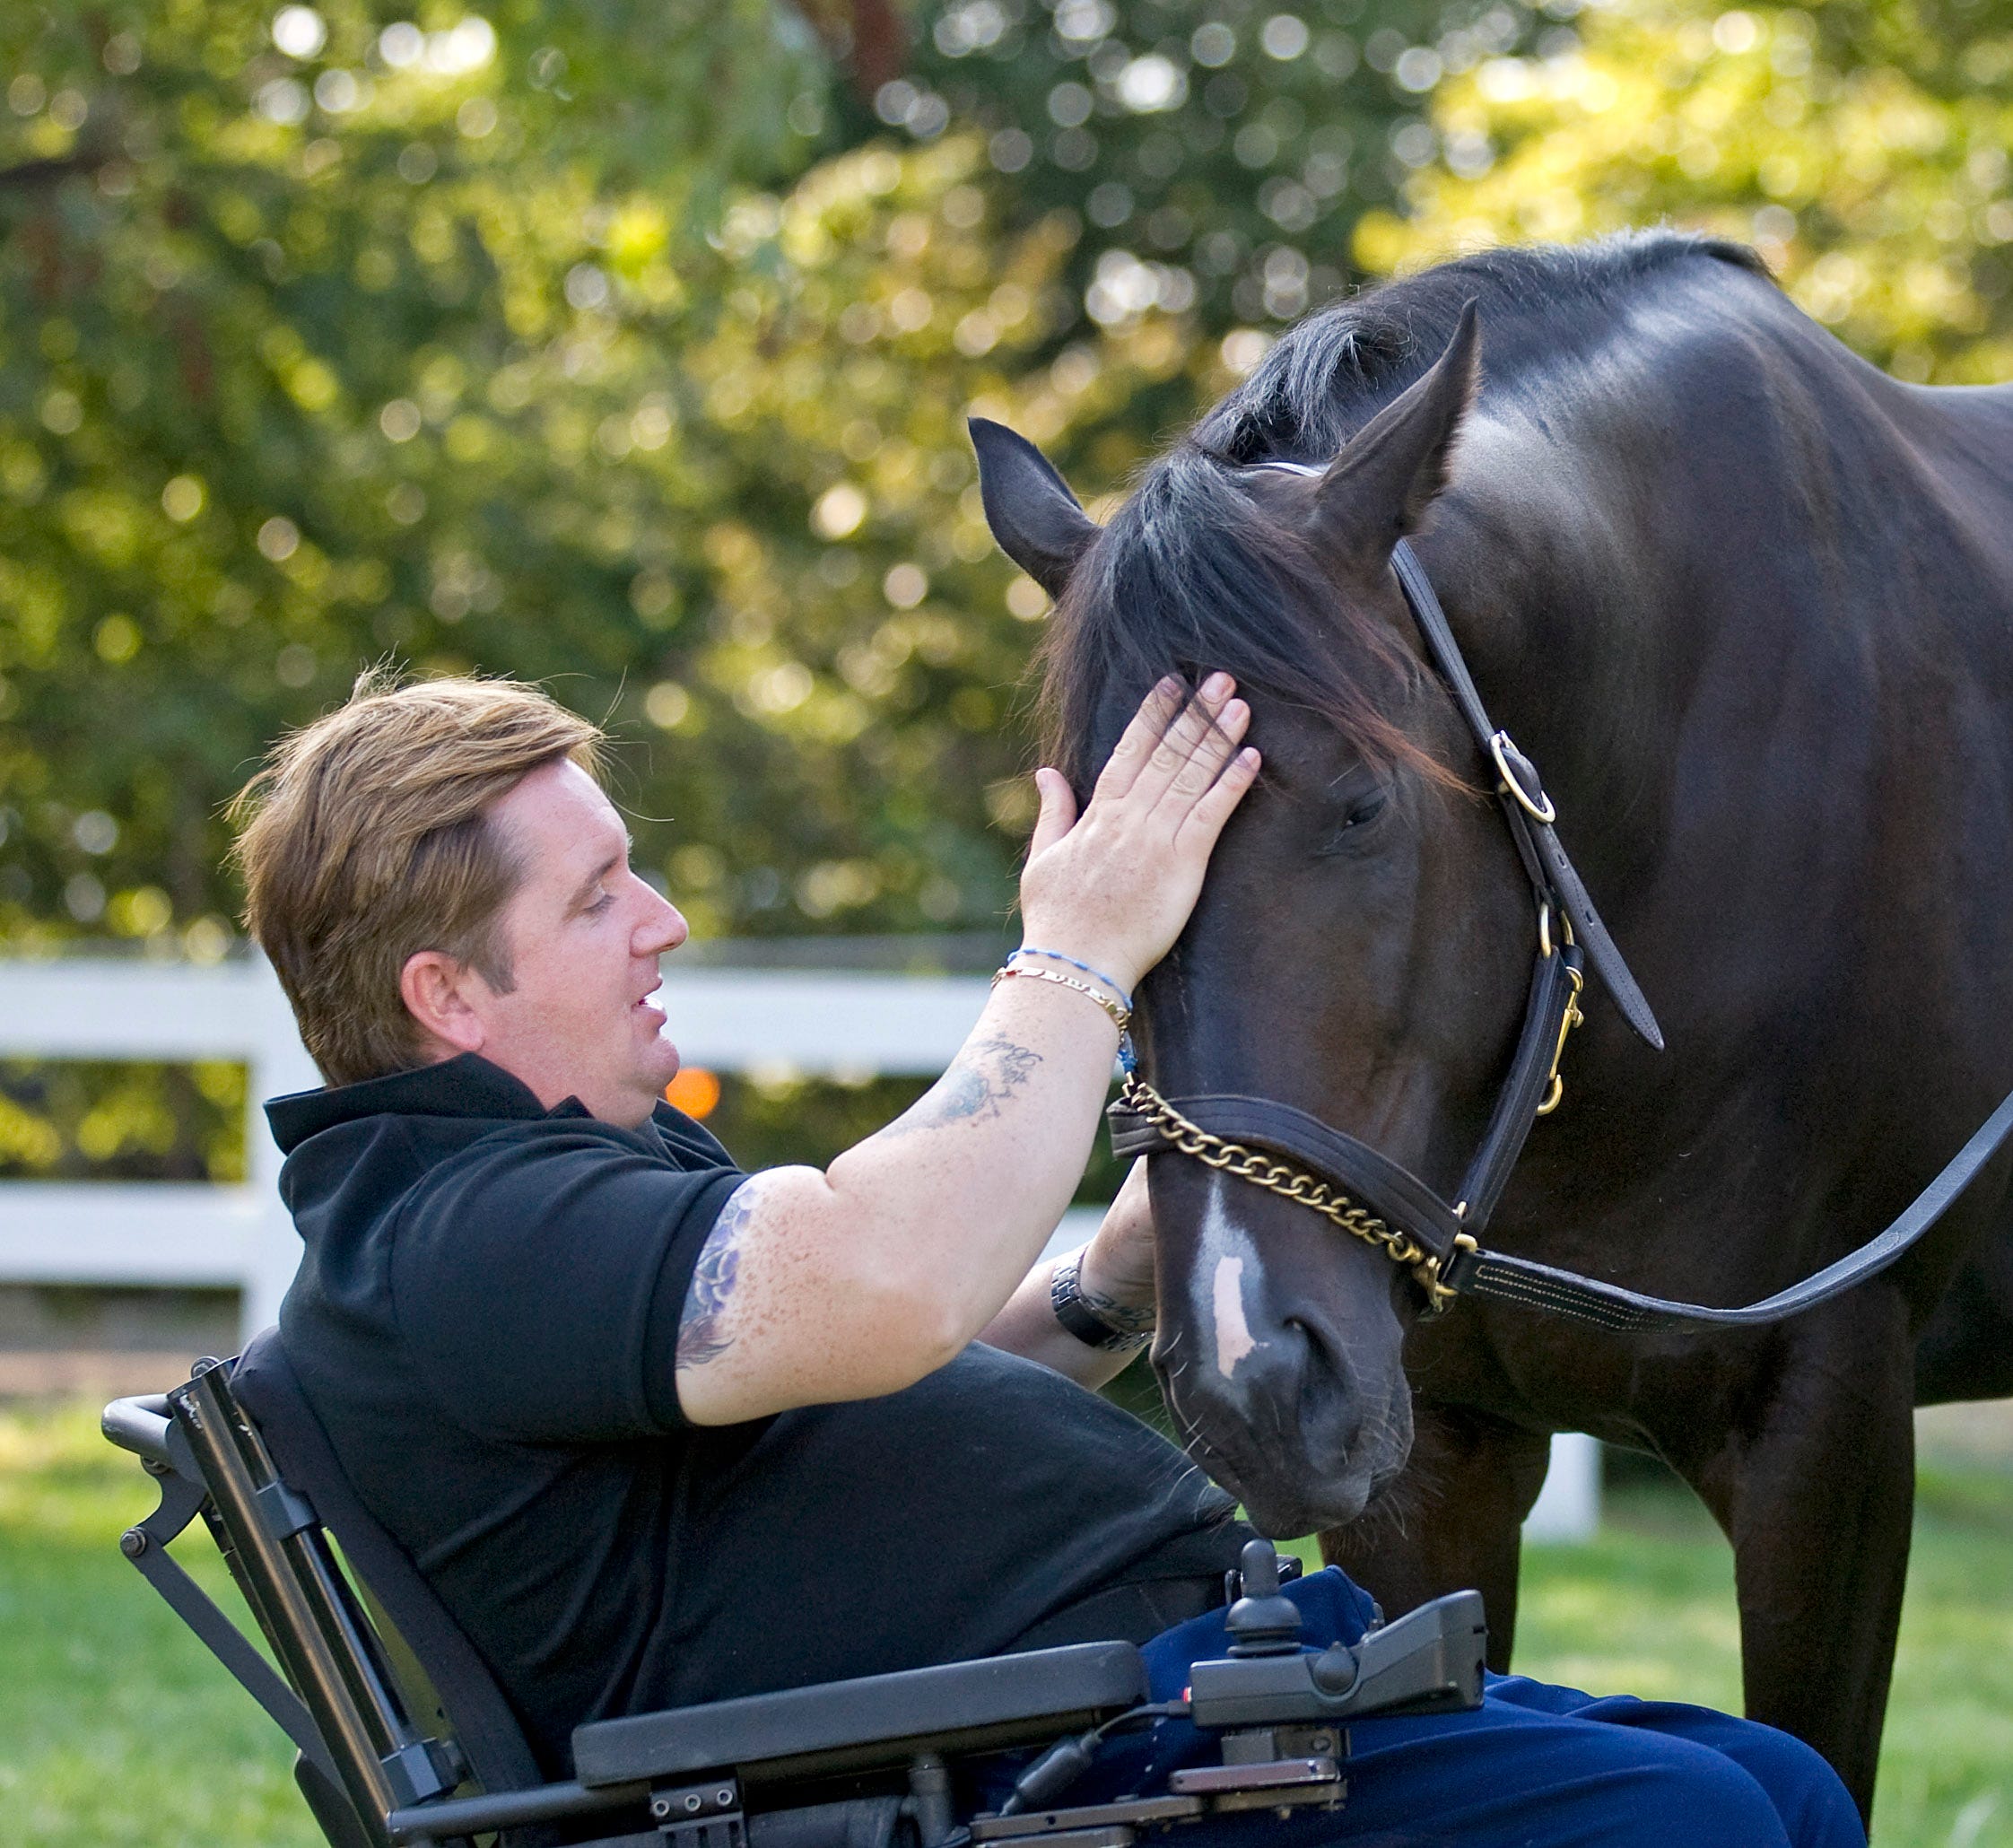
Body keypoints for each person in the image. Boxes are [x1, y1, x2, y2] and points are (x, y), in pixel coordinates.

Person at [232, 670, 1863, 1848]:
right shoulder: (459, 1236)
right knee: (1700, 1821)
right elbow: (878, 1279)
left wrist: (1109, 1281)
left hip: (1132, 1712)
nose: (660, 919)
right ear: (450, 995)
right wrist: (1079, 948)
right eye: (597, 900)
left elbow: (836, 1386)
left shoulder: (530, 1193)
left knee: (1785, 1792)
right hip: (1048, 1769)